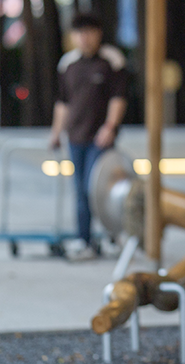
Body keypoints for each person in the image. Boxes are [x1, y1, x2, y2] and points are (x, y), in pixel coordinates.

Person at [48, 14, 128, 260]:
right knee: (80, 190)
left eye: (89, 32)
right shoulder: (68, 64)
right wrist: (56, 132)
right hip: (76, 136)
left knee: (99, 189)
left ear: (99, 33)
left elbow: (118, 97)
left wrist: (110, 126)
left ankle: (113, 235)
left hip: (100, 137)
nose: (85, 38)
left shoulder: (111, 61)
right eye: (80, 33)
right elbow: (63, 102)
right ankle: (84, 240)